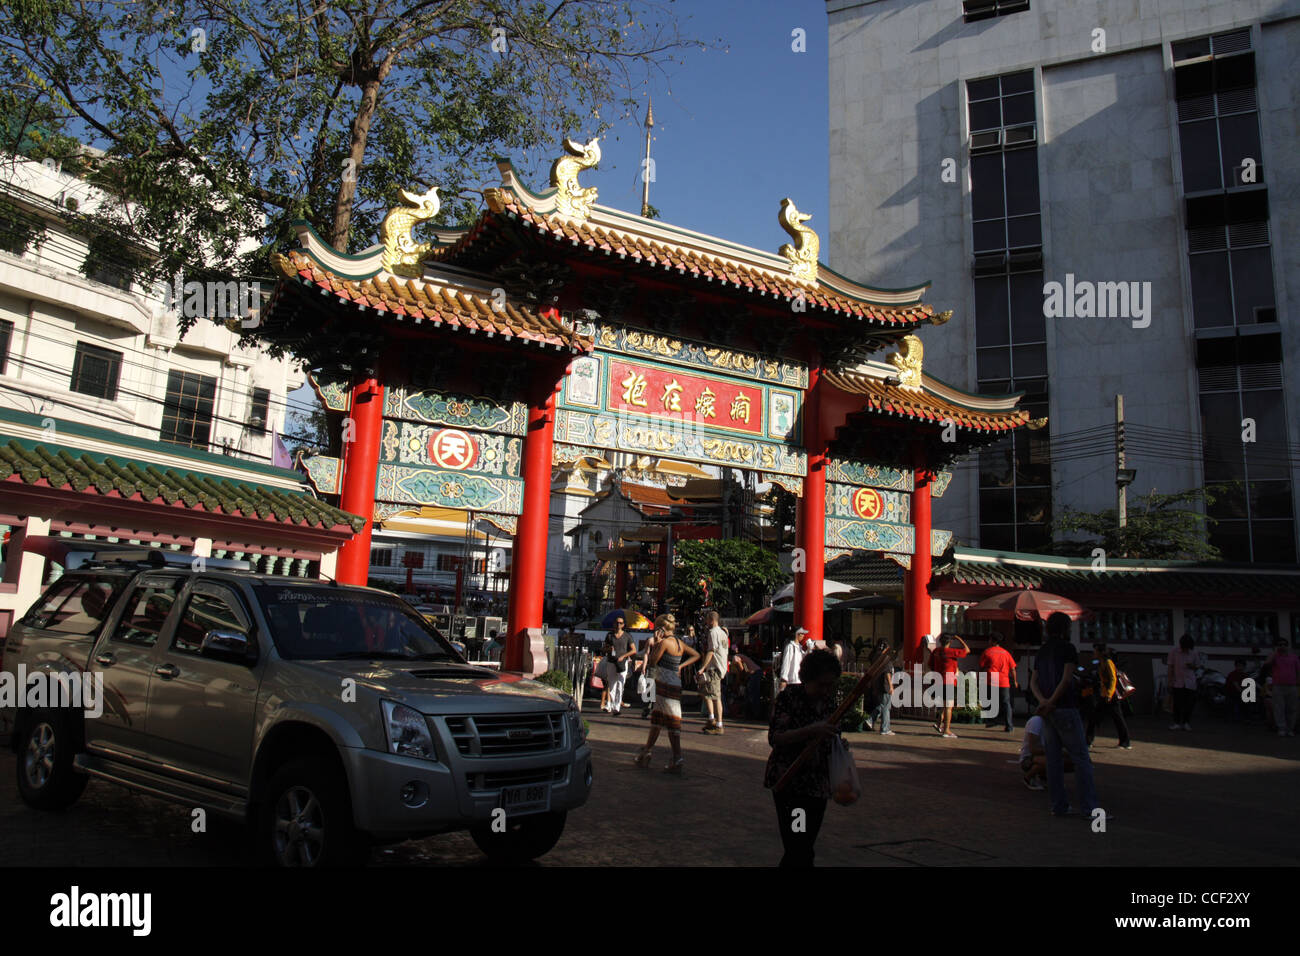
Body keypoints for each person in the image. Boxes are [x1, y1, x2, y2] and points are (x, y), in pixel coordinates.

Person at [764, 649, 843, 867]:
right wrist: (811, 731)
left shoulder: (829, 703)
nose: (825, 690)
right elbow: (776, 737)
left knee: (805, 844)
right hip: (792, 785)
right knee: (798, 846)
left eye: (830, 685)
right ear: (807, 679)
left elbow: (833, 736)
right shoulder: (789, 698)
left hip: (817, 786)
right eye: (821, 685)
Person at [1031, 612, 1098, 818]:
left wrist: (1043, 701)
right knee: (1081, 758)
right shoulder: (1068, 649)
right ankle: (1089, 808)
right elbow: (1067, 678)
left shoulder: (1042, 650)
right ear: (1065, 629)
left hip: (1047, 711)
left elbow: (1033, 681)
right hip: (1065, 707)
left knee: (1053, 759)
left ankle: (1059, 805)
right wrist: (1052, 701)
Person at [633, 614, 699, 774]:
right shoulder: (679, 642)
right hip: (675, 684)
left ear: (661, 629)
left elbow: (653, 661)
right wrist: (681, 666)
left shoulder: (664, 643)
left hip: (664, 684)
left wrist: (656, 642)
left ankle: (677, 758)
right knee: (658, 719)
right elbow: (697, 655)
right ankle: (647, 751)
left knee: (672, 723)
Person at [1086, 643, 1131, 749]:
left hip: (1110, 696)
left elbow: (1113, 679)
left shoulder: (1108, 662)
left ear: (1101, 653)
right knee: (1094, 718)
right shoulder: (1101, 663)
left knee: (1118, 718)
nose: (1094, 653)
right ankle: (1088, 740)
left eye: (1096, 651)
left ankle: (1125, 742)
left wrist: (1109, 694)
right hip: (1104, 694)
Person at [698, 610, 731, 735]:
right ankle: (711, 719)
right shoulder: (723, 633)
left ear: (712, 620)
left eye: (707, 620)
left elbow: (711, 651)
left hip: (714, 667)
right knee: (708, 694)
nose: (706, 622)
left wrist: (702, 667)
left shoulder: (712, 633)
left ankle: (718, 724)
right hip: (721, 667)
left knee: (715, 696)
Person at [931, 633, 969, 738]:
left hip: (938, 680)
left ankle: (938, 724)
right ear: (950, 642)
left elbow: (931, 665)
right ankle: (946, 730)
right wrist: (959, 639)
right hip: (949, 681)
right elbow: (967, 650)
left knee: (944, 705)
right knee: (949, 707)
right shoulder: (951, 652)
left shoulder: (936, 651)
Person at [979, 634, 1017, 732]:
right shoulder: (1006, 653)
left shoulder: (987, 652)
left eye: (990, 639)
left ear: (993, 641)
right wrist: (1015, 681)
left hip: (991, 680)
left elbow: (982, 666)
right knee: (1006, 703)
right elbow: (1013, 669)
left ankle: (991, 721)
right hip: (1004, 681)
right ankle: (1009, 725)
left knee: (990, 701)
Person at [1264, 638, 1299, 736]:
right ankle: (1282, 728)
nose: (1282, 646)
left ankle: (1290, 729)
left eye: (1284, 644)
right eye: (1280, 644)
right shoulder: (1274, 657)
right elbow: (1267, 664)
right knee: (1279, 708)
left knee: (1292, 708)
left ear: (1287, 646)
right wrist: (1275, 652)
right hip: (1278, 686)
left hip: (1292, 686)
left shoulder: (1294, 657)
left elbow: (1298, 671)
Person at [1167, 634, 1200, 730]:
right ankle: (1176, 722)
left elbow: (1197, 666)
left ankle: (1186, 722)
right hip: (1178, 681)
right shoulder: (1174, 652)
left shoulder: (1194, 653)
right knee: (1177, 703)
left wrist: (1191, 666)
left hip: (1190, 682)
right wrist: (1169, 681)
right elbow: (1170, 667)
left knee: (1189, 704)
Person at [605, 614, 637, 716]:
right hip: (611, 661)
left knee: (620, 684)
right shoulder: (609, 635)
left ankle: (617, 707)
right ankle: (614, 705)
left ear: (623, 625)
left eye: (620, 623)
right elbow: (604, 648)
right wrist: (609, 649)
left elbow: (634, 650)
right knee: (612, 684)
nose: (618, 624)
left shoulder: (627, 636)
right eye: (617, 622)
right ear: (614, 624)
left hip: (622, 663)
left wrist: (624, 656)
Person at [1019, 713, 1047, 790]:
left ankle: (1045, 777)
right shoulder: (1036, 721)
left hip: (1041, 754)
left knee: (1070, 760)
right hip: (1028, 758)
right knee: (1052, 760)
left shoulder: (1053, 722)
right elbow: (1033, 749)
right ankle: (1029, 777)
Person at [778, 627, 808, 692]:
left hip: (799, 679)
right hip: (792, 680)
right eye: (802, 634)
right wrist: (784, 678)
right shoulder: (790, 646)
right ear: (797, 634)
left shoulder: (799, 647)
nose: (803, 636)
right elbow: (786, 662)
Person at [1226, 658, 1249, 723]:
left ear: (1244, 667)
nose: (1240, 668)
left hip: (1240, 693)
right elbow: (1236, 685)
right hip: (1232, 693)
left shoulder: (1245, 675)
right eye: (1238, 666)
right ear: (1235, 666)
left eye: (1241, 666)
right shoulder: (1232, 674)